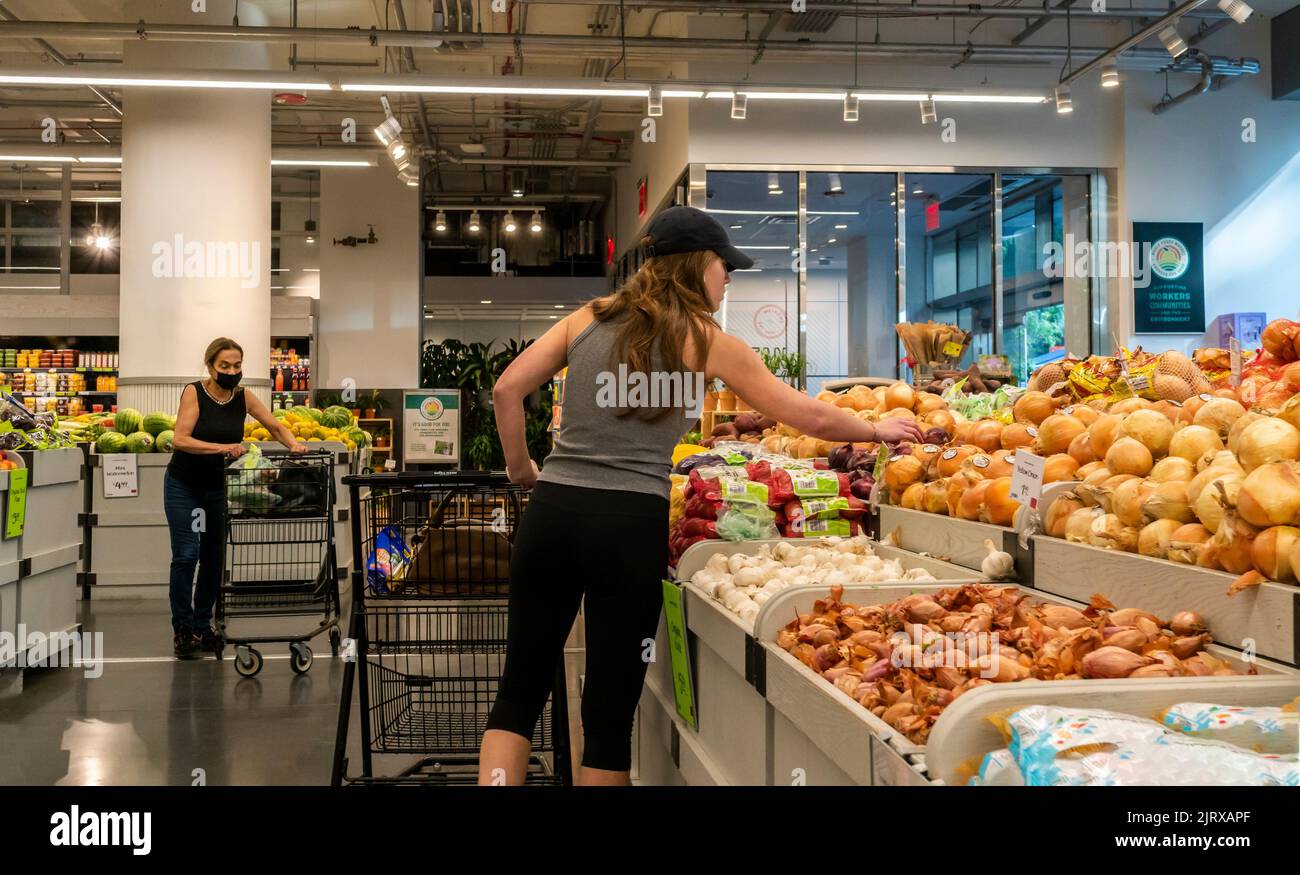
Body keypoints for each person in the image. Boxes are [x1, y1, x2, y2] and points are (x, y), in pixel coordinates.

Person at [479, 206, 923, 785]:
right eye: (724, 265)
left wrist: (522, 471)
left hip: (553, 515)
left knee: (519, 691)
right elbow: (800, 411)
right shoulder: (709, 341)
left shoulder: (585, 318)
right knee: (610, 717)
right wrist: (874, 429)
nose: (729, 278)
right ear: (694, 266)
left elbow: (507, 387)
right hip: (628, 525)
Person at [166, 337, 307, 659]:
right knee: (187, 555)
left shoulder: (243, 396)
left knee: (214, 559)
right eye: (225, 366)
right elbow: (180, 439)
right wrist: (222, 448)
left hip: (217, 487)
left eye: (237, 365)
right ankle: (183, 629)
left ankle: (203, 624)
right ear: (211, 367)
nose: (232, 371)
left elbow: (273, 425)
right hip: (184, 485)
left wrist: (293, 444)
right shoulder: (194, 392)